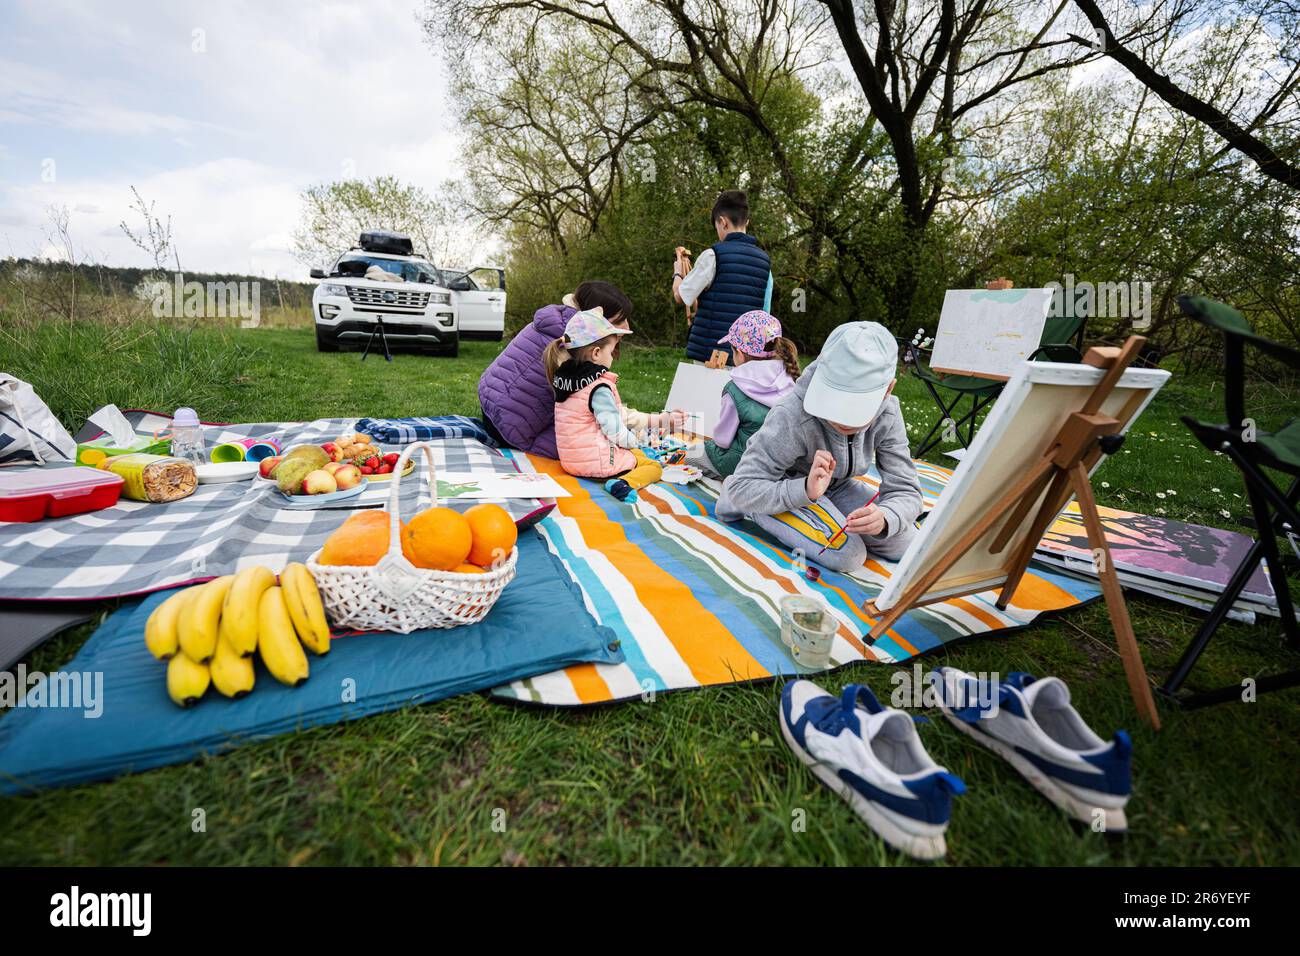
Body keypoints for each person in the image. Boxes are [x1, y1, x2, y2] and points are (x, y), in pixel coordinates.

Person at [716, 321, 922, 573]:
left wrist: (886, 517)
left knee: (909, 543)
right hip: (784, 484)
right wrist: (804, 489)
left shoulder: (889, 413)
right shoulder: (791, 413)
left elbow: (907, 490)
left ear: (888, 389)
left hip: (837, 486)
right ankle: (756, 509)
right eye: (835, 400)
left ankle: (793, 503)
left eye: (855, 406)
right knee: (848, 555)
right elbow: (743, 486)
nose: (843, 418)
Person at [478, 281, 683, 457]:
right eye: (620, 320)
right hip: (513, 430)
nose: (626, 327)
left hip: (489, 410)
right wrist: (656, 420)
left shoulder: (555, 321)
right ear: (597, 315)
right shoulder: (579, 346)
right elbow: (605, 410)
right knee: (606, 448)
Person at [545, 308, 664, 502]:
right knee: (653, 467)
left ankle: (630, 460)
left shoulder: (564, 379)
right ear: (597, 353)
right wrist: (635, 442)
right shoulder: (598, 387)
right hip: (598, 464)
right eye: (611, 350)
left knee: (632, 452)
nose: (612, 356)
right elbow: (614, 430)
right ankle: (623, 484)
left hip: (571, 461)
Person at [686, 309, 799, 478]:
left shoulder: (735, 388)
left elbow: (722, 440)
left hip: (745, 465)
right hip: (783, 466)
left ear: (739, 353)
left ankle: (735, 482)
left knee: (692, 453)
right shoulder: (792, 379)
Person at [673, 189, 774, 363]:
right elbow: (764, 312)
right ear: (746, 222)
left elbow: (680, 297)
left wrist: (677, 273)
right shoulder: (765, 262)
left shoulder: (713, 255)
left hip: (710, 357)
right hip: (744, 358)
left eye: (717, 226)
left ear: (722, 222)